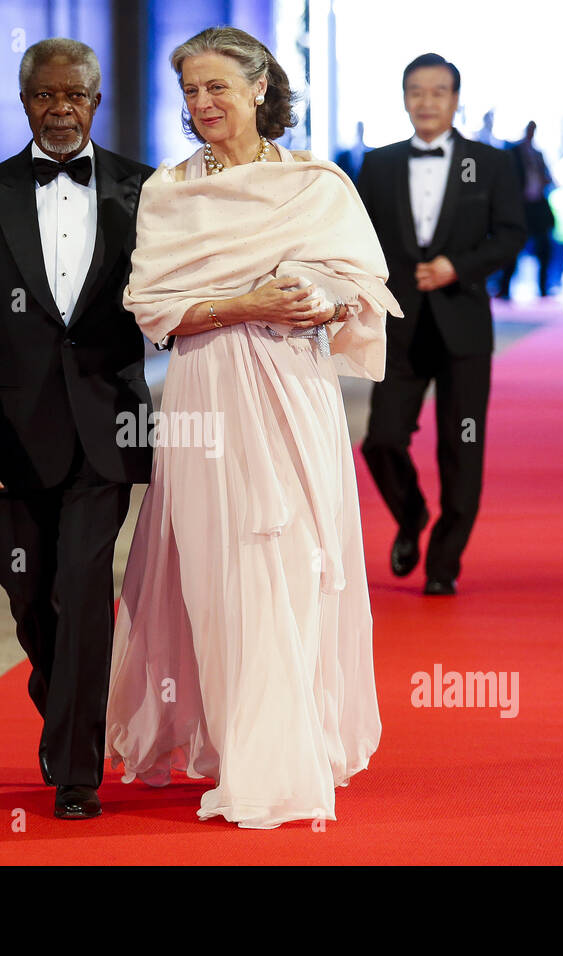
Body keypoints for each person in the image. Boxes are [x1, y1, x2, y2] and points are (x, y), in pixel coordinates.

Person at [105, 26, 401, 829]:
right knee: (221, 567)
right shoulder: (169, 191)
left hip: (296, 389)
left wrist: (320, 296)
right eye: (191, 92)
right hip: (206, 392)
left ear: (260, 90)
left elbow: (361, 287)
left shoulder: (318, 184)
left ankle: (289, 751)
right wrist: (248, 303)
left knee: (300, 560)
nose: (203, 105)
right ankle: (245, 752)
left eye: (217, 90)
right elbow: (153, 309)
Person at [0, 37, 154, 820]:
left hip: (109, 425)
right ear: (24, 101)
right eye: (44, 96)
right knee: (29, 595)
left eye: (75, 97)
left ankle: (76, 771)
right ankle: (60, 704)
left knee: (84, 590)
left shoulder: (144, 189)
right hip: (12, 435)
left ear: (96, 102)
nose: (60, 109)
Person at [355, 53, 525, 596]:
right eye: (416, 92)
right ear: (404, 98)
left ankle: (444, 564)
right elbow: (357, 238)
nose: (427, 102)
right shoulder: (377, 165)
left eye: (439, 92)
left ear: (455, 99)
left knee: (461, 445)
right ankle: (411, 517)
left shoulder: (490, 164)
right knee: (381, 440)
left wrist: (460, 266)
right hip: (400, 327)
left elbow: (510, 234)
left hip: (464, 329)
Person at [498, 120, 555, 298]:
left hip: (538, 205)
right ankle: (505, 287)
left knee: (544, 248)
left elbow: (547, 176)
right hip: (521, 207)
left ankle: (543, 288)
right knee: (514, 247)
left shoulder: (538, 154)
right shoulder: (513, 152)